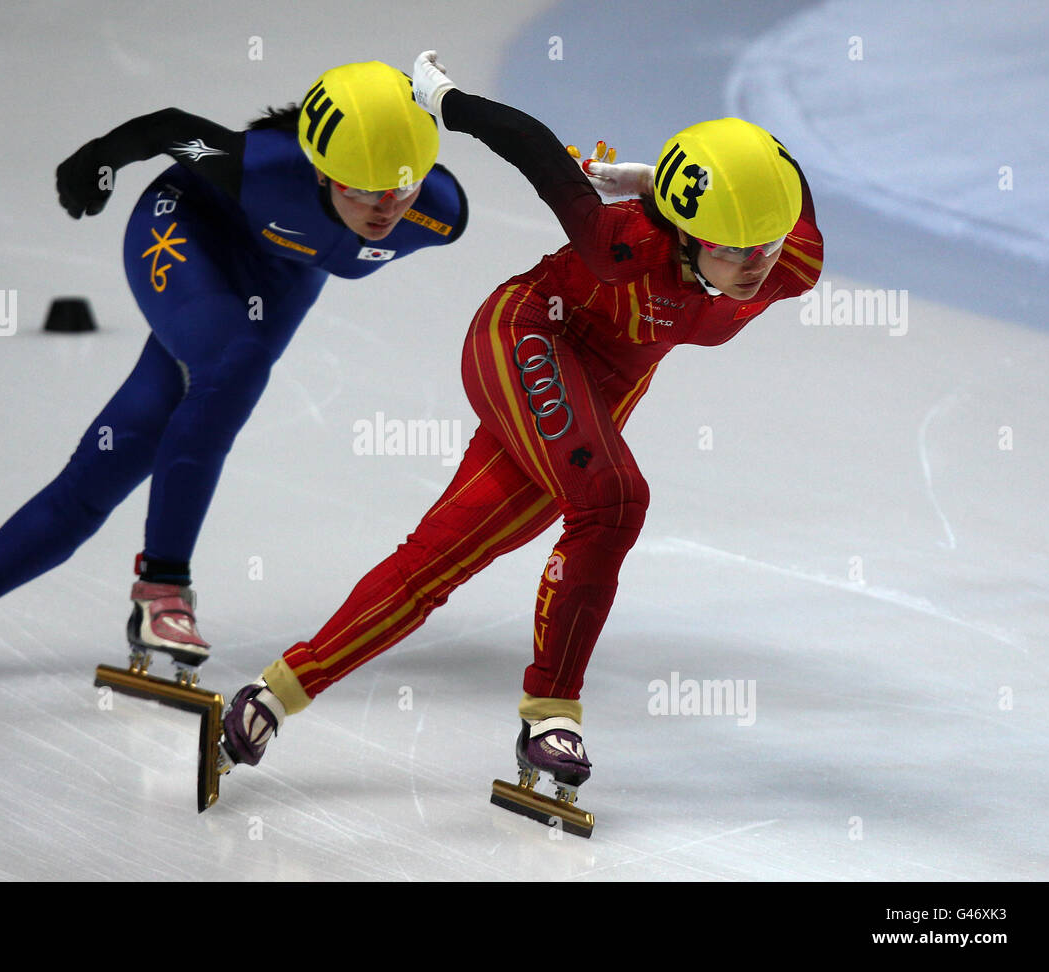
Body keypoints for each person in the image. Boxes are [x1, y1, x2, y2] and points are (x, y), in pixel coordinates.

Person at [217, 52, 824, 805]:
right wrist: (447, 99)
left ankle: (273, 694)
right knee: (614, 496)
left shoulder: (792, 256)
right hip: (528, 336)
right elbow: (538, 154)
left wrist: (645, 174)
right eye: (733, 248)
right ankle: (551, 714)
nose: (754, 265)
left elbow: (781, 167)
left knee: (440, 557)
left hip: (593, 397)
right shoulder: (622, 244)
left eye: (762, 244)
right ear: (687, 233)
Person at [0, 61, 468, 676]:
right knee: (234, 366)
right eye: (363, 188)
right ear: (320, 169)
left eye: (401, 188)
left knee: (125, 450)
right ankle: (162, 588)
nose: (386, 208)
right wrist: (99, 160)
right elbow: (168, 130)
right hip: (184, 230)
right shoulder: (259, 166)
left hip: (278, 281)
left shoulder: (439, 212)